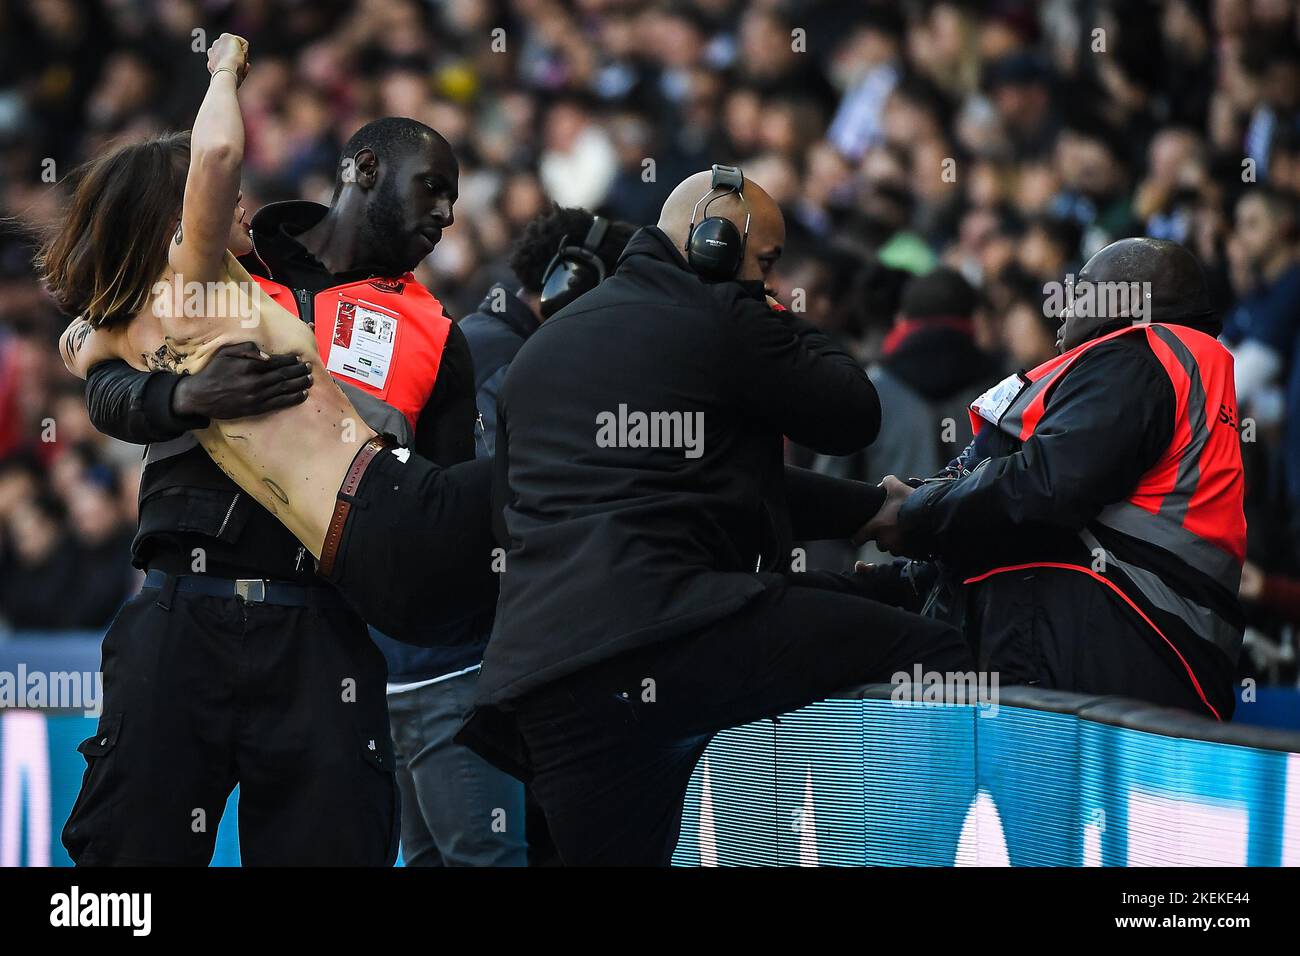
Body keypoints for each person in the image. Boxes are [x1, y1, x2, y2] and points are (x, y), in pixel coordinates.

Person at [45, 34, 492, 865]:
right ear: (362, 170)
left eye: (454, 200)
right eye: (432, 188)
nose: (447, 215)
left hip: (327, 627)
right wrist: (181, 397)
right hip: (182, 607)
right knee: (122, 874)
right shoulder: (224, 269)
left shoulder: (439, 331)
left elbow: (444, 496)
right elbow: (103, 385)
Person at [455, 167, 971, 866]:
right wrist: (769, 309)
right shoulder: (720, 316)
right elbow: (851, 410)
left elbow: (723, 485)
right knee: (937, 653)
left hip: (548, 680)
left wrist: (872, 509)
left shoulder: (541, 349)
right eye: (765, 262)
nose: (766, 281)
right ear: (713, 241)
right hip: (673, 633)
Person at [864, 238, 1246, 721]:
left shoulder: (1135, 359)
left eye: (1081, 291)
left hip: (1116, 660)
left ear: (1127, 302)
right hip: (1142, 660)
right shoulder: (1158, 368)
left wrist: (915, 512)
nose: (1063, 306)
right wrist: (902, 577)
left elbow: (1044, 489)